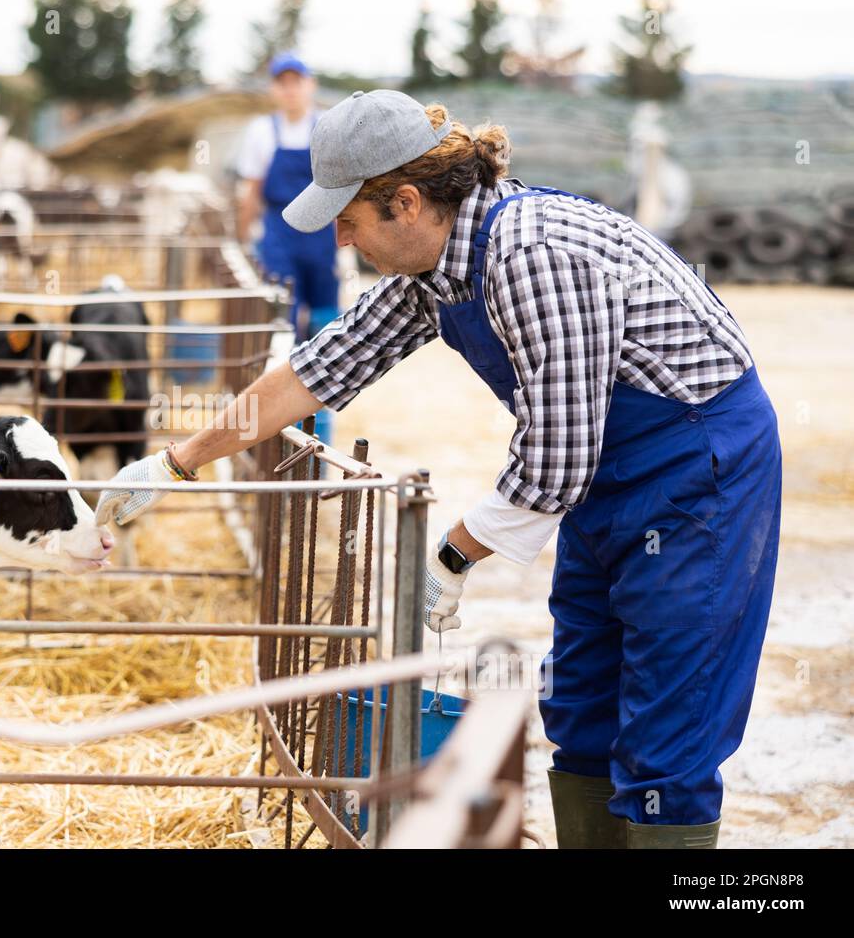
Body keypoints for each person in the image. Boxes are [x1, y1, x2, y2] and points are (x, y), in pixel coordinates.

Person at [97, 90, 782, 850]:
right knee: (584, 705)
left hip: (695, 468)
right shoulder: (436, 268)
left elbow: (555, 462)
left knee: (668, 725)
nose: (346, 244)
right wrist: (175, 462)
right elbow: (316, 372)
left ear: (408, 202)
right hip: (605, 475)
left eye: (349, 222)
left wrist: (454, 552)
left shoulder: (531, 254)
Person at [235, 51, 338, 445]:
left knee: (327, 329)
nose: (291, 89)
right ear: (274, 89)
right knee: (283, 329)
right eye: (283, 82)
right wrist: (245, 242)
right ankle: (280, 428)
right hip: (278, 237)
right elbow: (251, 192)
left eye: (298, 81)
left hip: (322, 239)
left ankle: (320, 429)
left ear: (310, 85)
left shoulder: (325, 128)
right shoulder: (262, 131)